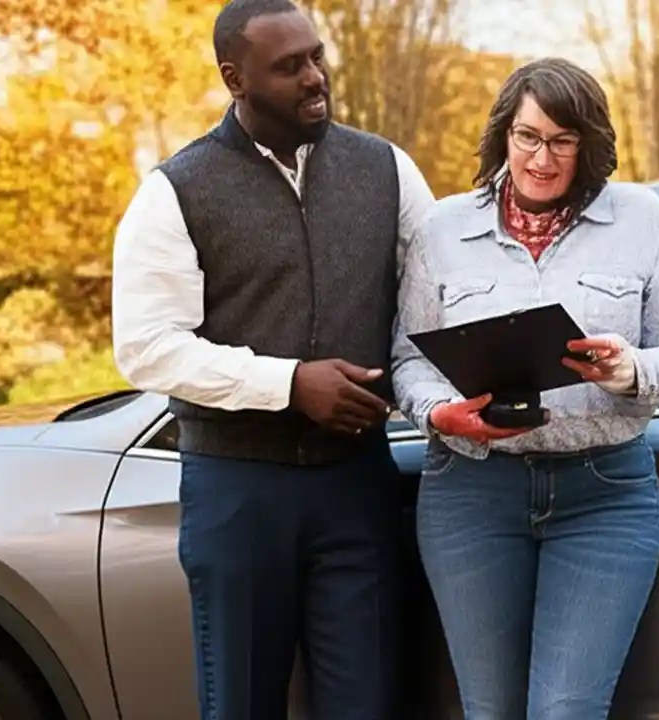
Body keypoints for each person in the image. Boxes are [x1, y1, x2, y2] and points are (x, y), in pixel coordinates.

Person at [110, 0, 435, 718]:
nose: (315, 77)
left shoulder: (386, 169)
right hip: (236, 490)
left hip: (358, 484)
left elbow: (435, 306)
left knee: (368, 705)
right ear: (236, 77)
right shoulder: (175, 191)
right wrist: (287, 384)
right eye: (290, 67)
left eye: (317, 57)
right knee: (242, 705)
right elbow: (145, 345)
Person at [391, 57, 659, 719]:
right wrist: (442, 413)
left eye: (563, 140)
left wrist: (632, 372)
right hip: (471, 495)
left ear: (589, 143)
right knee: (490, 710)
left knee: (566, 710)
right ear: (504, 133)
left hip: (605, 495)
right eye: (528, 136)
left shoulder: (642, 220)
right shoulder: (442, 232)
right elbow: (407, 363)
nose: (543, 157)